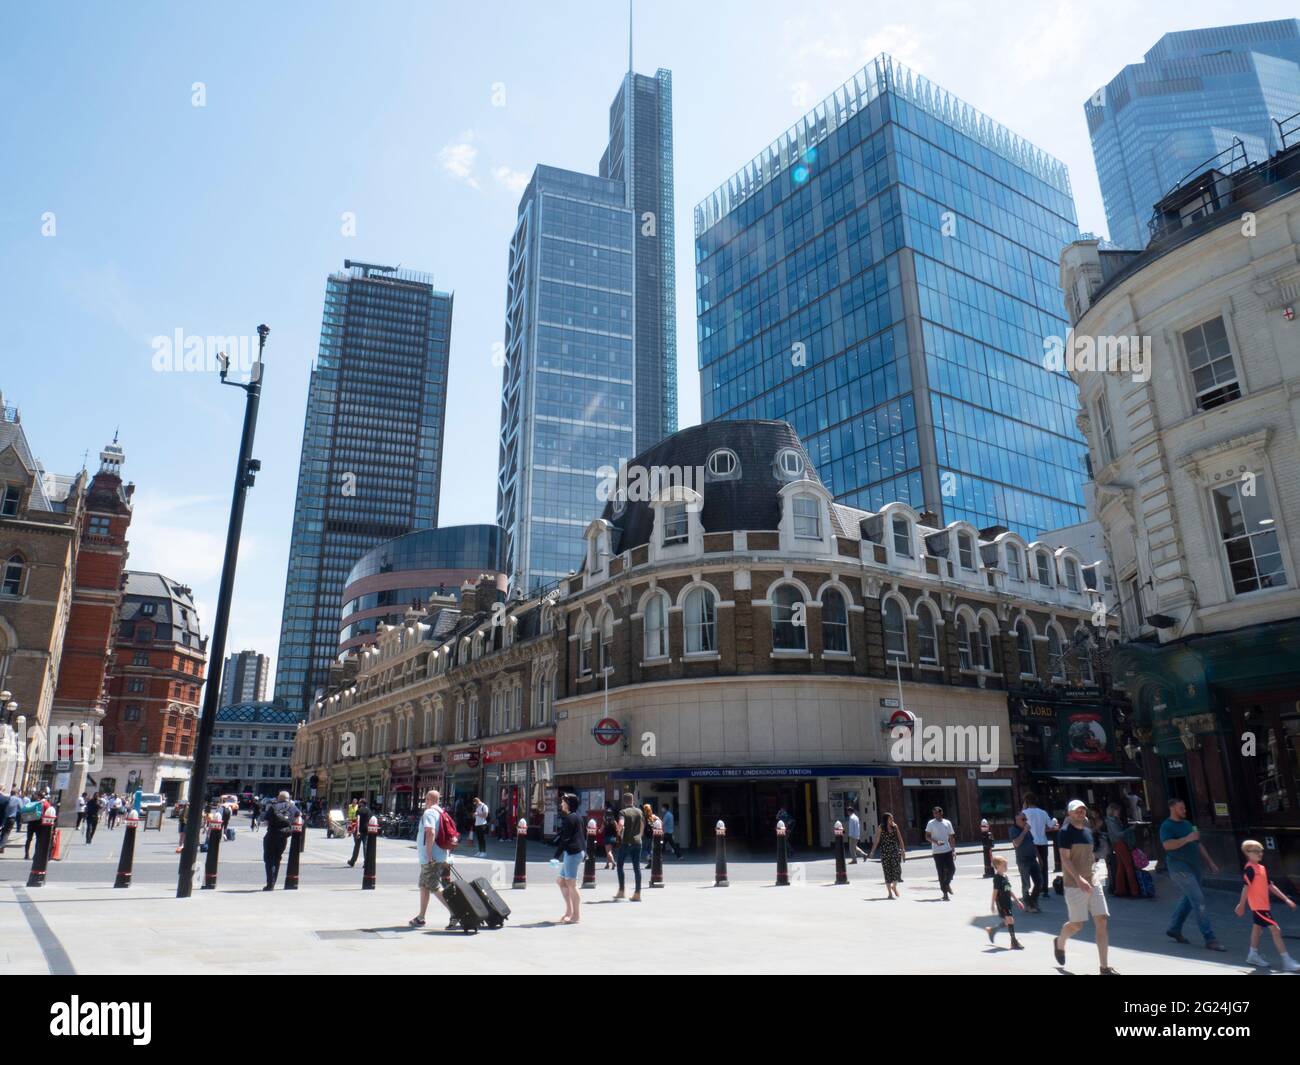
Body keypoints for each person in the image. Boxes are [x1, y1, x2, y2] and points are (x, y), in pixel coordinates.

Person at [1053, 799, 1119, 975]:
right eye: (1076, 811)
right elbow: (1065, 859)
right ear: (1069, 813)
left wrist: (1094, 873)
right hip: (1074, 884)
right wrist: (1079, 878)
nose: (1080, 813)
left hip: (1093, 881)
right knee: (1077, 925)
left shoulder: (1088, 831)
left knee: (1102, 920)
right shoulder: (1065, 833)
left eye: (1082, 810)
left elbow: (1089, 855)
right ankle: (1060, 941)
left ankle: (1104, 967)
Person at [1159, 798, 1223, 951]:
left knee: (1190, 899)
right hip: (1180, 869)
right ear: (1173, 808)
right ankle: (1210, 938)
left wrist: (1210, 862)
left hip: (1194, 868)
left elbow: (1198, 844)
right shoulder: (1166, 826)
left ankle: (1174, 928)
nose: (1184, 810)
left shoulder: (1187, 824)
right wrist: (1187, 838)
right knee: (1199, 900)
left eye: (1184, 808)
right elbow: (1167, 845)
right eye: (1181, 808)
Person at [1235, 839, 1300, 971]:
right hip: (1258, 907)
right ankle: (1287, 961)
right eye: (1256, 851)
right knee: (1276, 929)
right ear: (1248, 853)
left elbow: (1270, 885)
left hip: (1264, 906)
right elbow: (1245, 887)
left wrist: (1286, 899)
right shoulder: (1250, 869)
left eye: (1261, 851)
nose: (1260, 854)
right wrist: (1241, 905)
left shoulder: (1261, 868)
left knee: (1257, 928)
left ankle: (1252, 954)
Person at [410, 789, 455, 928]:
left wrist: (429, 856)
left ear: (428, 799)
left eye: (426, 800)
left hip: (431, 858)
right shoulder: (442, 812)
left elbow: (430, 833)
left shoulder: (429, 812)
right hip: (438, 855)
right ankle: (421, 917)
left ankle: (455, 912)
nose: (425, 803)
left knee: (434, 886)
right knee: (424, 885)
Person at [552, 793, 585, 924]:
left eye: (563, 802)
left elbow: (565, 839)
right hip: (572, 852)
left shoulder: (570, 818)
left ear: (569, 803)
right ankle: (569, 911)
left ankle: (576, 915)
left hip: (573, 853)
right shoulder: (576, 816)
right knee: (561, 881)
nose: (561, 804)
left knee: (571, 883)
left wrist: (555, 856)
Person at [985, 855, 1025, 949]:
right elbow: (995, 892)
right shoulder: (997, 878)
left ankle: (992, 930)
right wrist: (992, 905)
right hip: (1002, 904)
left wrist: (1017, 900)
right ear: (998, 866)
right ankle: (1013, 942)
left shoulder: (1005, 877)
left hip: (1008, 902)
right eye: (1004, 865)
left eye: (1006, 865)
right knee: (1010, 920)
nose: (1006, 867)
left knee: (1008, 922)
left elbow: (1009, 890)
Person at [261, 791, 298, 891]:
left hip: (272, 835)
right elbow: (299, 816)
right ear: (288, 798)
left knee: (268, 859)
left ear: (278, 798)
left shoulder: (273, 807)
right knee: (277, 859)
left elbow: (265, 822)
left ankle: (270, 884)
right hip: (284, 836)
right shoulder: (293, 807)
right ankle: (273, 882)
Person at [1020, 793, 1051, 905]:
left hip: (1031, 842)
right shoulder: (1043, 812)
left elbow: (1020, 822)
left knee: (1029, 866)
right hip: (1043, 841)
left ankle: (1029, 890)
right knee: (1044, 866)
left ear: (1026, 802)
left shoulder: (1025, 813)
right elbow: (1051, 824)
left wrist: (1023, 809)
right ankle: (1045, 890)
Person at [868, 812, 906, 898]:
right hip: (885, 851)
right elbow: (877, 840)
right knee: (887, 871)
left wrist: (903, 849)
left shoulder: (895, 826)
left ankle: (894, 886)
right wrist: (872, 851)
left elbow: (900, 839)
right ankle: (889, 893)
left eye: (892, 818)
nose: (892, 820)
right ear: (886, 819)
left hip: (894, 851)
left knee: (897, 870)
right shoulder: (881, 827)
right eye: (890, 818)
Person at [1104, 802, 1138, 898]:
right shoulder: (1112, 821)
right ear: (1113, 811)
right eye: (1117, 810)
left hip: (1117, 844)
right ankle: (1134, 889)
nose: (1119, 812)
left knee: (1121, 866)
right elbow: (1118, 834)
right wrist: (1130, 829)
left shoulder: (1112, 820)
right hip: (1120, 843)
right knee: (1129, 866)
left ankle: (1120, 889)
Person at [614, 792, 643, 901]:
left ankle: (621, 891)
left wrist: (618, 830)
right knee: (637, 867)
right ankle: (637, 893)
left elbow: (621, 824)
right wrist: (639, 836)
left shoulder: (623, 812)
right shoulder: (639, 811)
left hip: (626, 842)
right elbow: (642, 825)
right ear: (633, 800)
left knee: (620, 865)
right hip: (638, 842)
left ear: (624, 801)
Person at [1009, 813, 1040, 912]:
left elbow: (1032, 843)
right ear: (1017, 820)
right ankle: (1028, 904)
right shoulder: (1013, 830)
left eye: (1026, 819)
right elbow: (1016, 843)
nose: (1025, 821)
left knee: (1039, 881)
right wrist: (1025, 831)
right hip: (1023, 860)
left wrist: (1039, 857)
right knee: (1026, 884)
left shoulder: (1027, 830)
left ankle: (1033, 901)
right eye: (1023, 819)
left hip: (1033, 859)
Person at [925, 806, 956, 900]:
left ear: (941, 813)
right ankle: (945, 893)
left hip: (947, 850)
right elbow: (927, 837)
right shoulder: (931, 823)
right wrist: (936, 842)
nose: (935, 815)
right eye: (934, 813)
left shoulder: (947, 822)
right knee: (941, 872)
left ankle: (946, 884)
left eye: (937, 813)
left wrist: (953, 850)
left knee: (952, 869)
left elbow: (951, 837)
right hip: (937, 852)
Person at [347, 797, 372, 868]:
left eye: (359, 802)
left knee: (357, 847)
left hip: (360, 830)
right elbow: (370, 820)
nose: (358, 804)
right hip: (366, 830)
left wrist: (357, 831)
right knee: (365, 847)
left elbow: (357, 820)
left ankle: (352, 861)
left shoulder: (359, 810)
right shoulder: (369, 811)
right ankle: (366, 862)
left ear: (361, 803)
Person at [0, 787, 21, 853]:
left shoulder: (7, 798)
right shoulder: (18, 800)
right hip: (11, 818)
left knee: (3, 832)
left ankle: (2, 848)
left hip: (4, 817)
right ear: (17, 793)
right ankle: (1, 846)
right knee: (6, 833)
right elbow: (21, 808)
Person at [641, 802, 656, 869]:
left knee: (644, 849)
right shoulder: (652, 816)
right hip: (652, 834)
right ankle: (651, 860)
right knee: (649, 849)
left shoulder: (644, 817)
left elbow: (643, 826)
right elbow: (659, 822)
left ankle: (650, 860)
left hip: (646, 835)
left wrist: (641, 834)